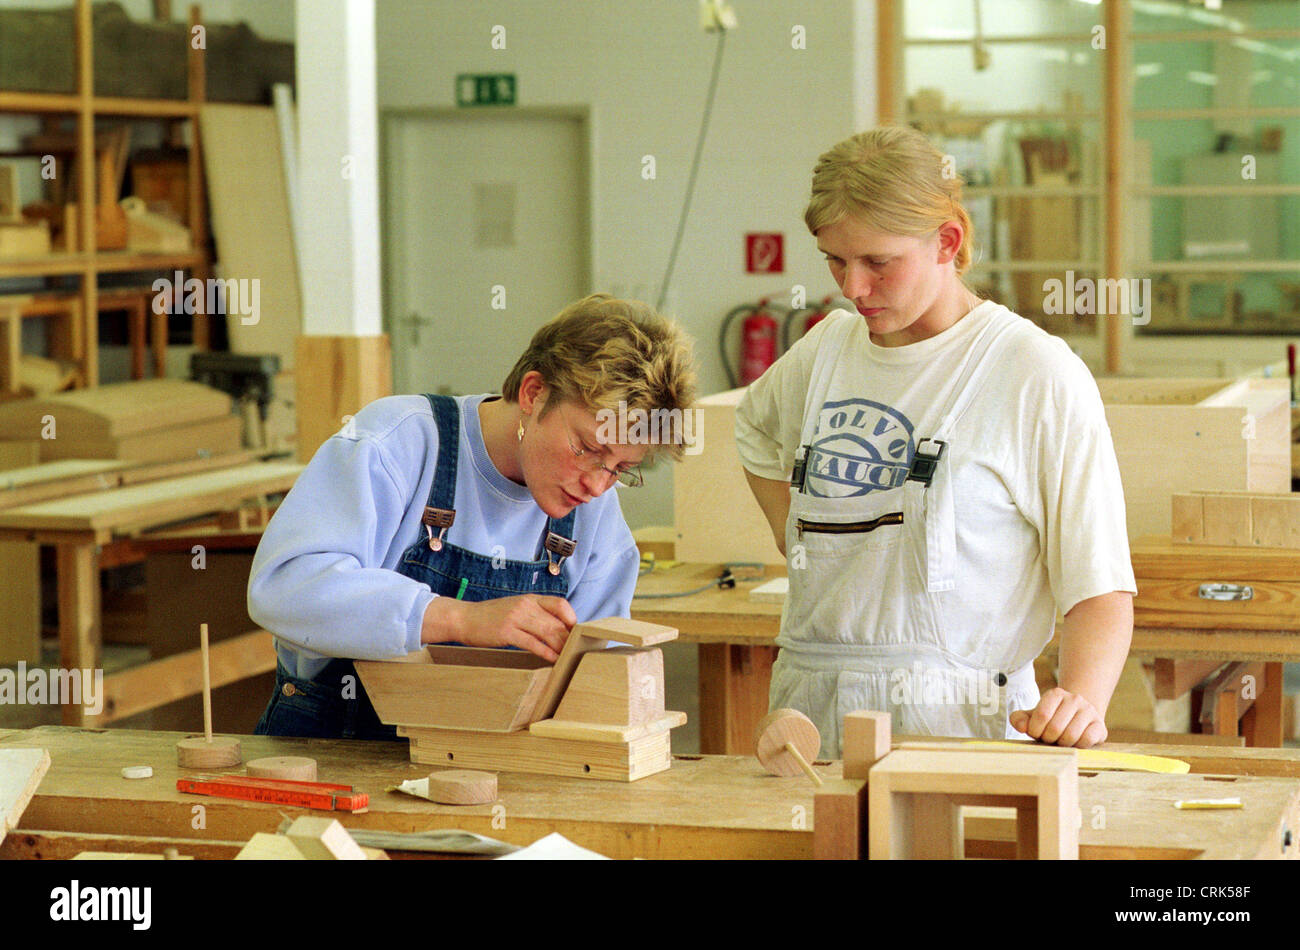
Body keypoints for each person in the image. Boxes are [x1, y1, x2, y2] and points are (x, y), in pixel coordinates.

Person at [735, 126, 1136, 757]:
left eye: (878, 262)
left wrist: (1080, 703)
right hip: (808, 719)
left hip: (959, 730)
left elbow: (1100, 585)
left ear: (947, 240)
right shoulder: (825, 352)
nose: (852, 287)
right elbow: (754, 429)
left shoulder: (1032, 372)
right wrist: (805, 548)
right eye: (836, 260)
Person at [248, 293, 697, 740]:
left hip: (489, 762)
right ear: (534, 393)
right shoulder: (399, 443)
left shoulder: (596, 513)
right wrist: (460, 619)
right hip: (331, 752)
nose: (597, 485)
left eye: (621, 469)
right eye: (587, 449)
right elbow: (284, 587)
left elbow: (598, 670)